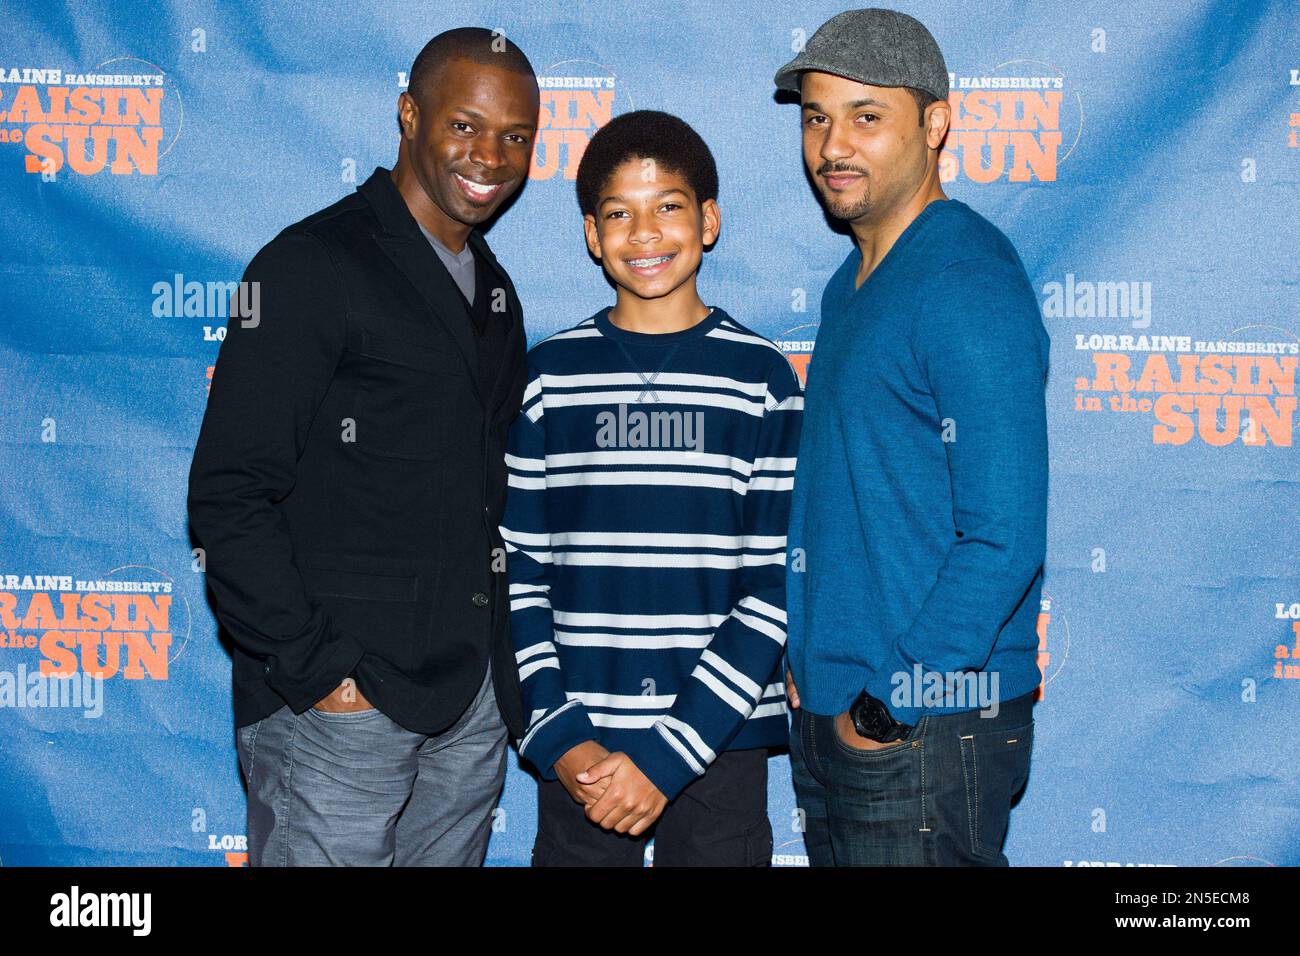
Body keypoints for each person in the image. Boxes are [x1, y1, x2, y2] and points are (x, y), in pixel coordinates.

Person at [187, 27, 539, 866]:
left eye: (515, 136)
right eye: (464, 125)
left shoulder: (493, 291)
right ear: (409, 115)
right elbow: (229, 494)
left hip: (467, 709)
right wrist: (321, 674)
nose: (489, 154)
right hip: (339, 712)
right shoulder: (310, 264)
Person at [774, 8, 1050, 866]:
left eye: (866, 116)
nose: (832, 146)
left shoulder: (966, 278)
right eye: (817, 117)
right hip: (838, 710)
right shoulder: (849, 283)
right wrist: (810, 661)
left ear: (934, 123)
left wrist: (891, 703)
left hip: (925, 722)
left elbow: (1003, 536)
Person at [500, 110, 803, 866]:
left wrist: (673, 752)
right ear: (591, 235)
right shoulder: (550, 379)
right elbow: (517, 575)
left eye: (667, 206)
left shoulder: (761, 380)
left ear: (708, 221)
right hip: (583, 753)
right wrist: (558, 734)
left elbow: (773, 587)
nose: (644, 233)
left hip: (719, 742)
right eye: (618, 214)